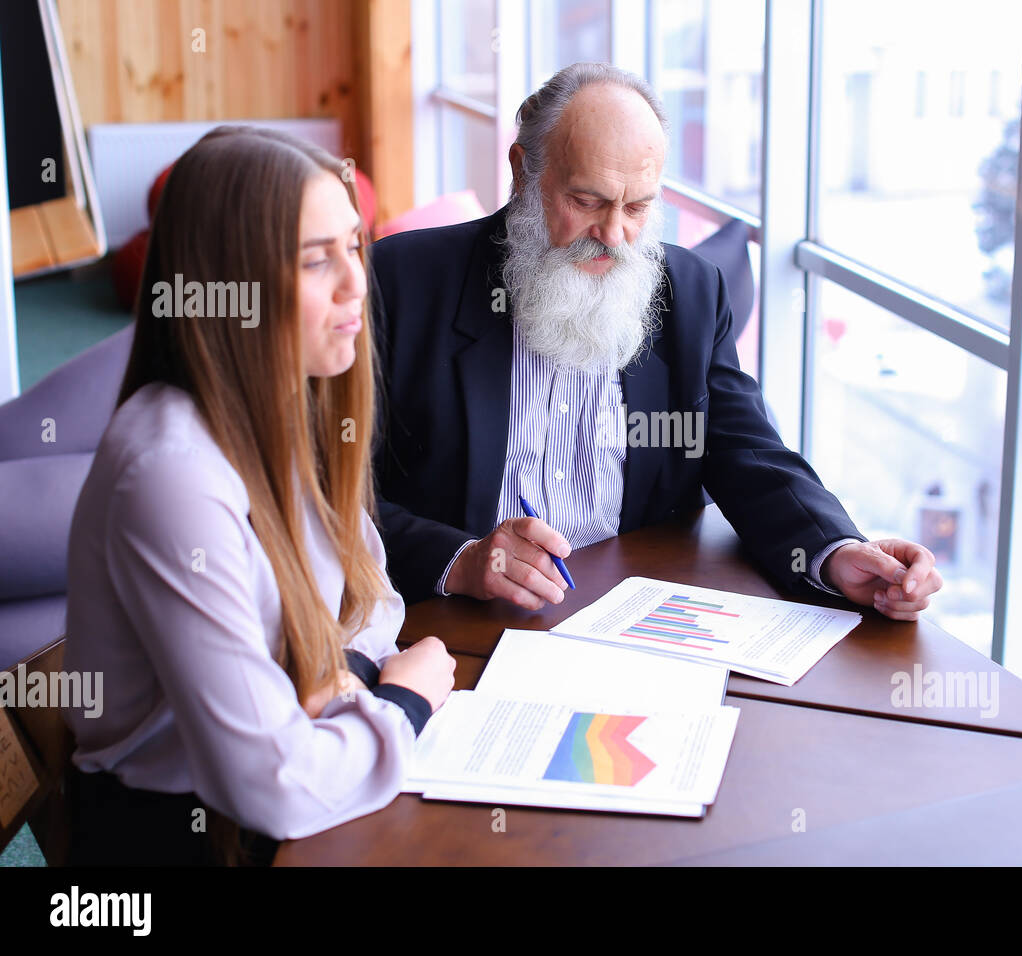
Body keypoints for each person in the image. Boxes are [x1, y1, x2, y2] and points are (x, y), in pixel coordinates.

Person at [369, 62, 943, 621]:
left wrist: (837, 552)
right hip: (456, 621)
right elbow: (326, 488)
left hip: (636, 618)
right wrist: (462, 561)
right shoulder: (403, 281)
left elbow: (745, 451)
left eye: (638, 206)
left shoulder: (690, 293)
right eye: (587, 201)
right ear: (522, 170)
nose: (614, 236)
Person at [61, 126, 456, 866]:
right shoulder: (169, 472)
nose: (355, 284)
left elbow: (373, 601)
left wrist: (351, 682)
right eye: (316, 260)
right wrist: (402, 707)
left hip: (276, 816)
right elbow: (271, 784)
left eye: (356, 246)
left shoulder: (290, 405)